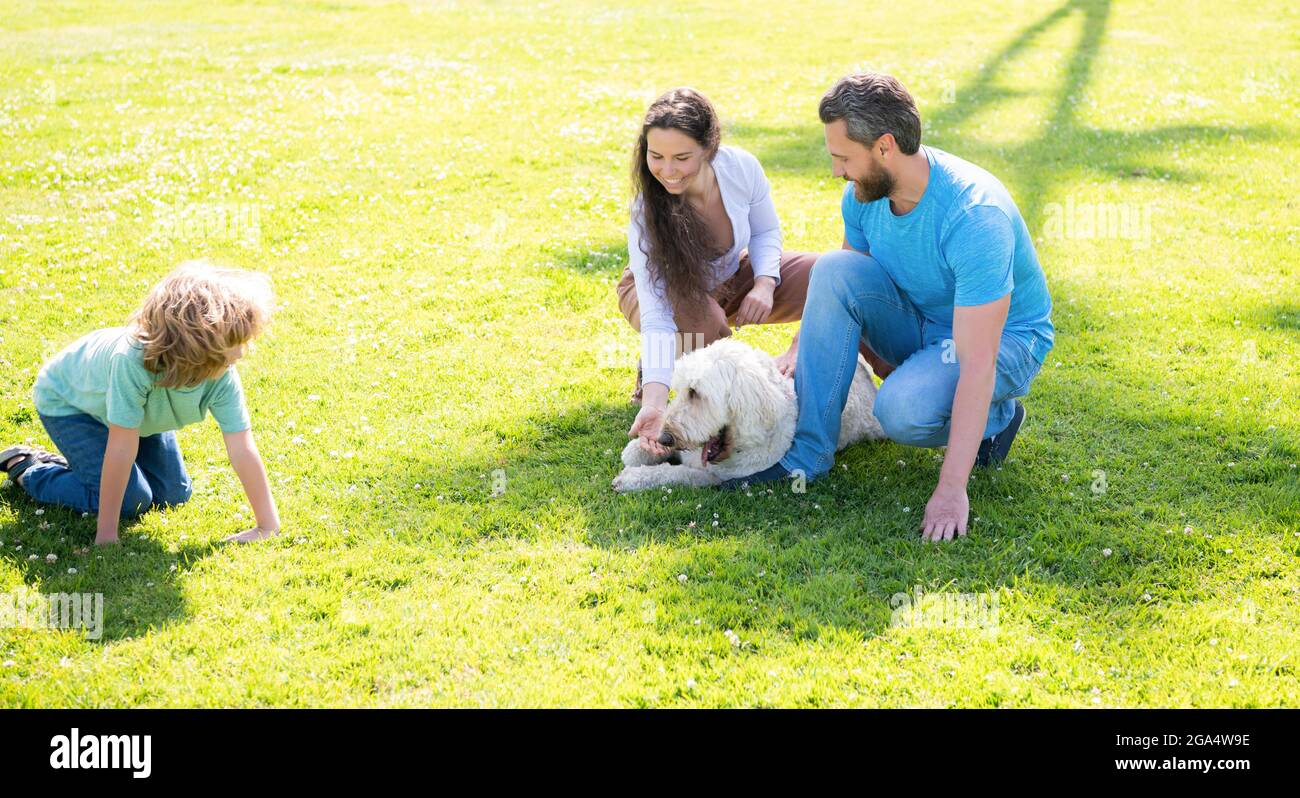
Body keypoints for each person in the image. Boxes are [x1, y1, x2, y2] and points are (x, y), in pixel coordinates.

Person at [725, 73, 1055, 544]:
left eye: (843, 158)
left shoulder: (974, 216)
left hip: (1001, 343)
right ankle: (807, 455)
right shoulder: (864, 197)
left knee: (899, 411)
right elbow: (844, 281)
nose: (837, 171)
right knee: (833, 267)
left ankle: (998, 420)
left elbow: (977, 362)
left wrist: (950, 488)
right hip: (923, 321)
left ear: (884, 147)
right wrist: (804, 346)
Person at [0, 260, 281, 545]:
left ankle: (87, 470)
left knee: (174, 494)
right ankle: (29, 468)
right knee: (132, 501)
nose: (243, 352)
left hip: (136, 416)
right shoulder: (133, 361)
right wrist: (107, 532)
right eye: (236, 341)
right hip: (72, 406)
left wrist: (266, 525)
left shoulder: (220, 372)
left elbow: (242, 448)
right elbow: (122, 445)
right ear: (196, 346)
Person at [617, 87, 816, 459]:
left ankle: (823, 385)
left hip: (734, 275)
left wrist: (764, 282)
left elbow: (765, 231)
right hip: (660, 295)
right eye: (655, 156)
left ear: (708, 148)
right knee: (702, 323)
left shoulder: (740, 168)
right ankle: (699, 412)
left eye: (682, 157)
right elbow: (658, 313)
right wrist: (657, 402)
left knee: (828, 275)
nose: (668, 170)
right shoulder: (646, 210)